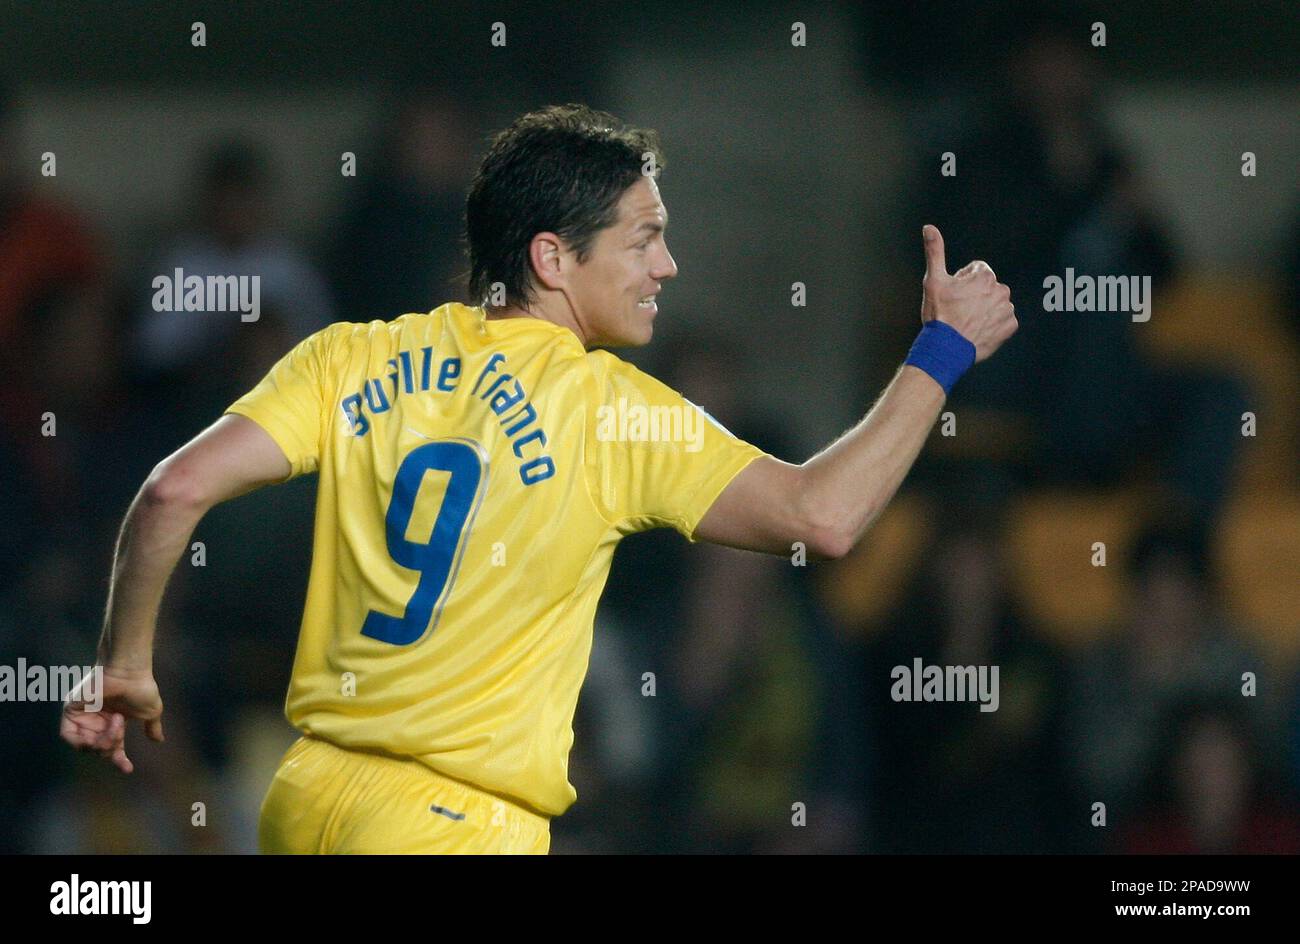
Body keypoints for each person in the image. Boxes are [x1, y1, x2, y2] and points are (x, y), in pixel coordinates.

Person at [59, 103, 1016, 853]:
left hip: (305, 801)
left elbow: (171, 492)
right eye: (644, 238)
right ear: (553, 258)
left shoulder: (350, 355)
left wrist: (127, 666)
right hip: (456, 826)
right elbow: (827, 515)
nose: (668, 265)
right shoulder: (610, 410)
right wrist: (940, 351)